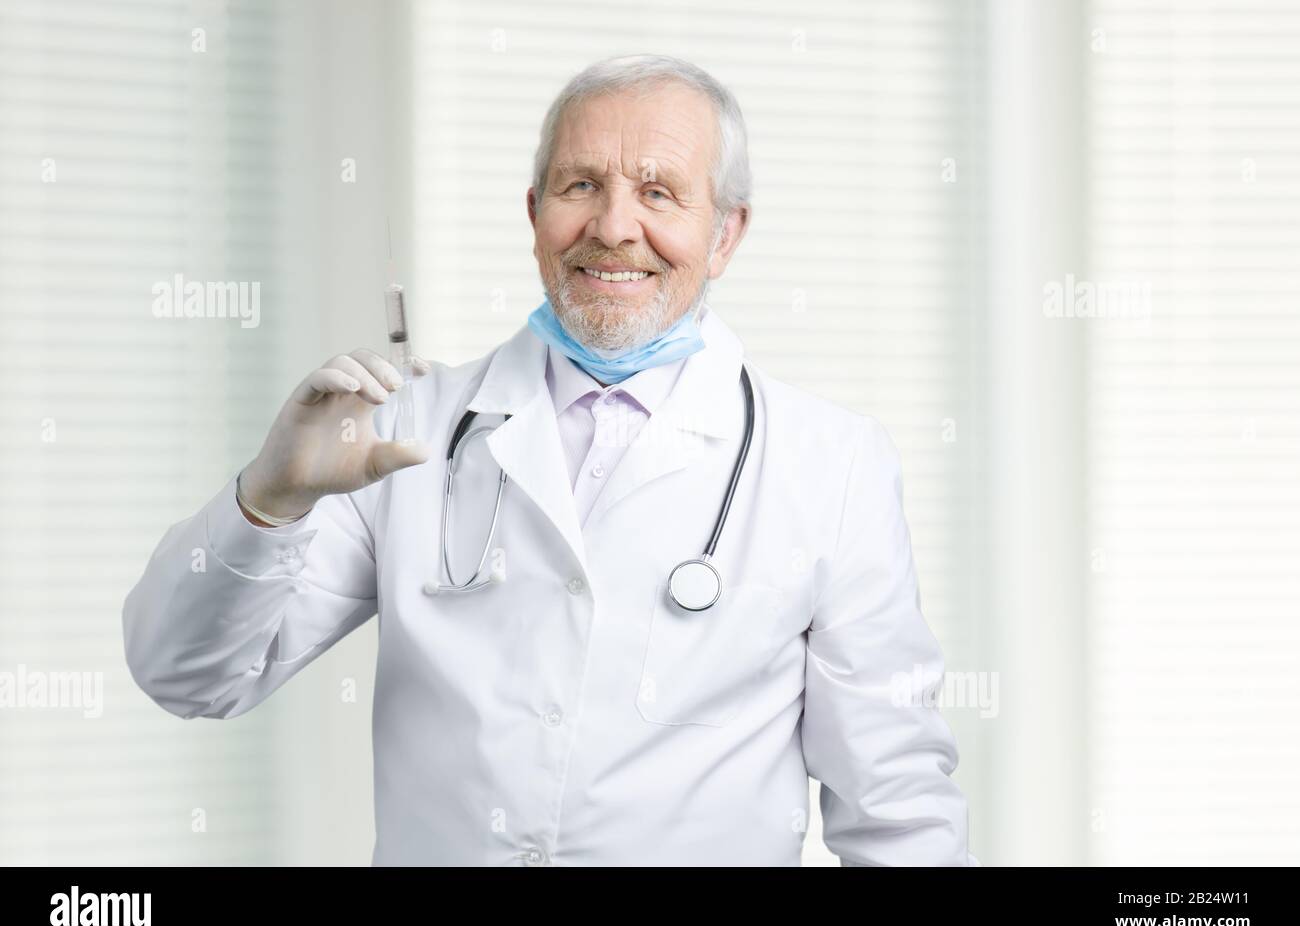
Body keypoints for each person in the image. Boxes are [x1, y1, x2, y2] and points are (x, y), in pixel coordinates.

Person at [123, 53, 977, 867]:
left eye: (658, 192)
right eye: (581, 186)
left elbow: (895, 804)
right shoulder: (403, 433)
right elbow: (186, 675)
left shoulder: (829, 463)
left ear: (724, 234)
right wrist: (269, 501)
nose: (613, 227)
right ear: (534, 214)